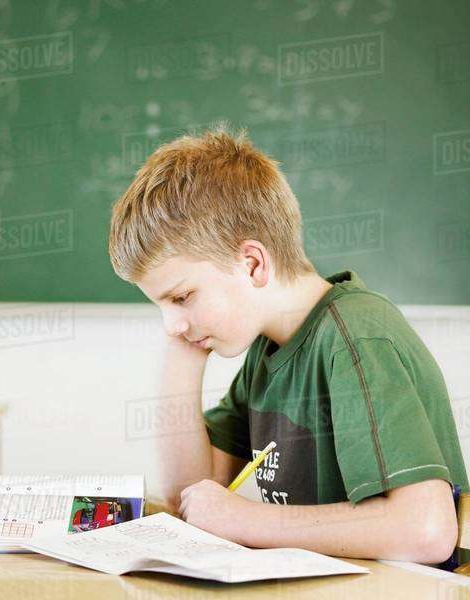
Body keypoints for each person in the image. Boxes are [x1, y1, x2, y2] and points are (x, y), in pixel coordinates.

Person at [108, 126, 468, 564]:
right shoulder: (269, 349)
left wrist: (244, 521)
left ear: (253, 263)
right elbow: (193, 495)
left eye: (182, 296)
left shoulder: (354, 338)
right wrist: (184, 344)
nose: (171, 323)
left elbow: (426, 530)